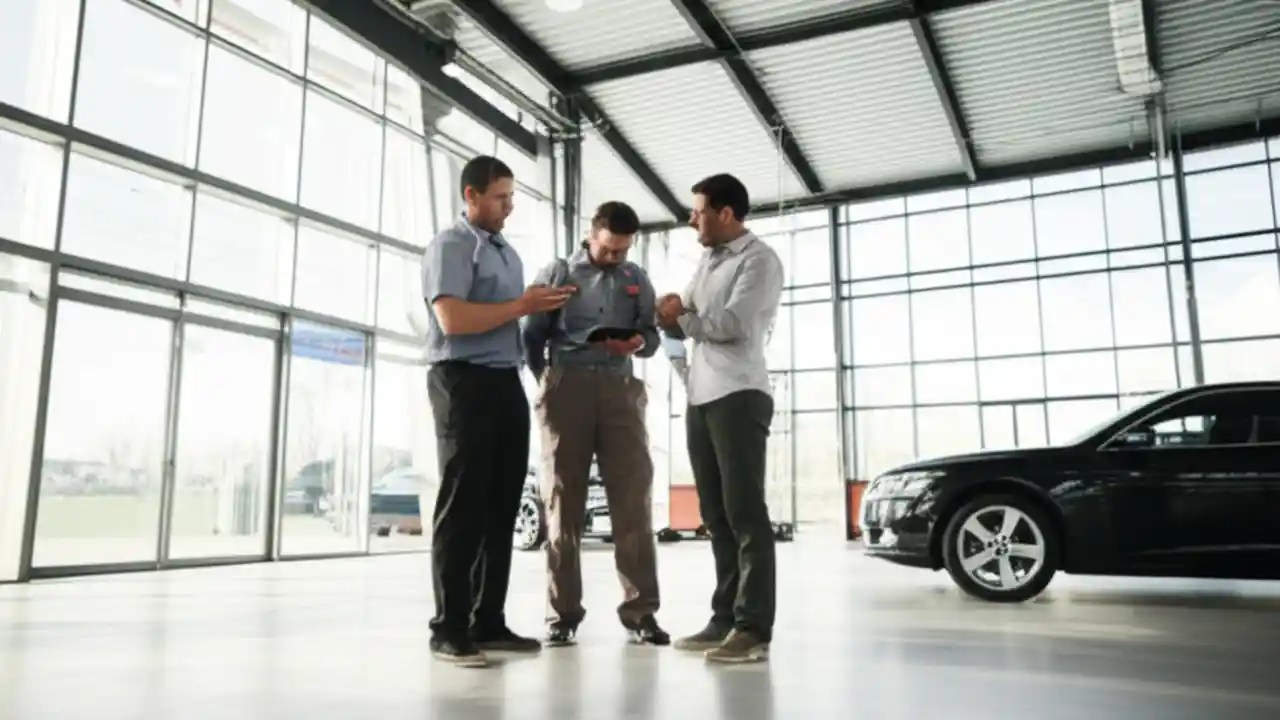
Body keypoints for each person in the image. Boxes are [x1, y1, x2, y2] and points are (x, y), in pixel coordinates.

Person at [420, 155, 575, 667]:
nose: (509, 206)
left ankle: (488, 620)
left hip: (504, 381)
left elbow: (513, 315)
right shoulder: (453, 244)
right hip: (462, 380)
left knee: (501, 505)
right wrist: (522, 307)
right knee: (462, 504)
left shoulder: (507, 253)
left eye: (510, 196)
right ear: (471, 196)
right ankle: (449, 627)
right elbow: (453, 318)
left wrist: (542, 308)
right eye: (500, 196)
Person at [522, 201, 670, 648]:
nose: (614, 258)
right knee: (563, 503)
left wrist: (640, 341)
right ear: (592, 234)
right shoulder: (558, 273)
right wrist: (545, 385)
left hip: (620, 389)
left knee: (633, 499)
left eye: (622, 251)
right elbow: (533, 333)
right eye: (608, 250)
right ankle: (562, 615)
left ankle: (641, 613)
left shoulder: (636, 279)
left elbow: (653, 336)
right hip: (568, 387)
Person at [657, 173, 784, 664]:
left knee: (746, 514)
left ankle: (754, 629)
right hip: (703, 396)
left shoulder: (759, 260)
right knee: (716, 516)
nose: (693, 219)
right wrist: (671, 311)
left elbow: (731, 325)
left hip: (739, 395)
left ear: (726, 213)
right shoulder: (709, 261)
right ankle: (725, 618)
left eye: (698, 210)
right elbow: (684, 309)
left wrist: (681, 318)